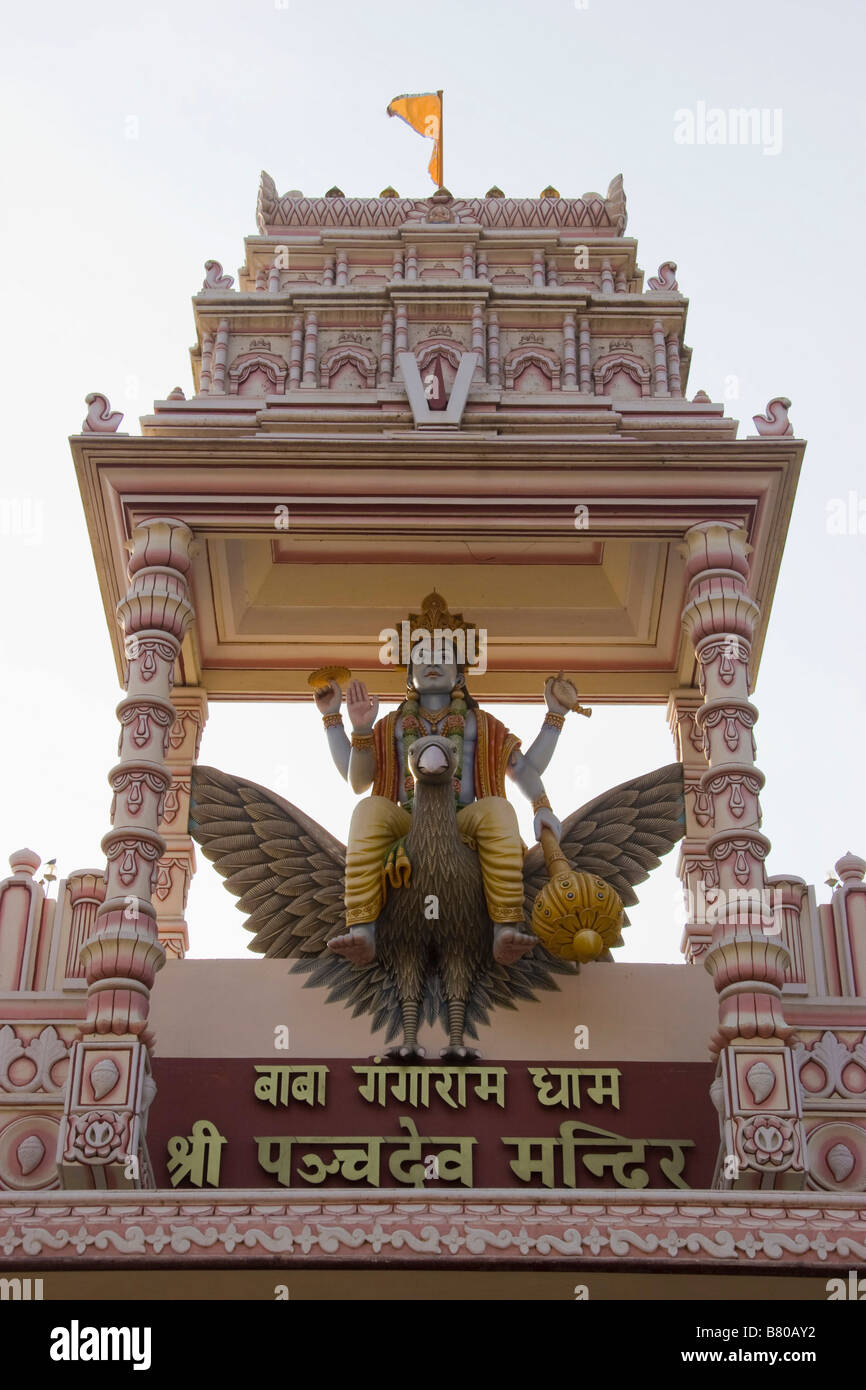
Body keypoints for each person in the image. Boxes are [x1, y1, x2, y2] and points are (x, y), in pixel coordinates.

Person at [313, 593, 573, 966]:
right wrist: (345, 722)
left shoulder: (481, 724)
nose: (431, 663)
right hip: (408, 824)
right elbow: (358, 779)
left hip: (465, 821)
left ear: (460, 674)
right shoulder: (391, 726)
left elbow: (522, 767)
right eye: (421, 657)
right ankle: (363, 928)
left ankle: (505, 927)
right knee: (368, 809)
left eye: (442, 658)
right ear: (409, 675)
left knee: (499, 810)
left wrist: (553, 726)